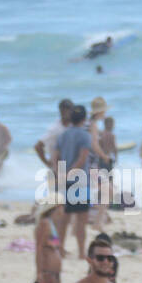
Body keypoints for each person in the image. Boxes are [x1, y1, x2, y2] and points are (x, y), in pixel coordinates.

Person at [57, 106, 93, 257]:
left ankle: (60, 249)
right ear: (84, 119)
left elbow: (57, 156)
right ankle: (81, 252)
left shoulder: (63, 135)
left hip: (64, 177)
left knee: (65, 217)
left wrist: (63, 174)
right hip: (79, 179)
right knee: (81, 218)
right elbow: (82, 158)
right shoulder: (85, 136)